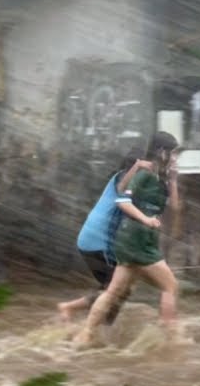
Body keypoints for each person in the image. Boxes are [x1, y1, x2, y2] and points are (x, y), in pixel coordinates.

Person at [73, 132, 182, 345]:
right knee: (170, 287)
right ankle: (171, 337)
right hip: (137, 240)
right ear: (162, 152)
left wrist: (175, 180)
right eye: (174, 153)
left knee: (113, 291)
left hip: (136, 242)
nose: (176, 158)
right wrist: (146, 219)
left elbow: (176, 207)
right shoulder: (145, 174)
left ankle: (86, 335)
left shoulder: (162, 177)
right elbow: (122, 201)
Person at [56, 150, 147, 323]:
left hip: (95, 240)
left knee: (118, 288)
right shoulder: (122, 179)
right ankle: (90, 324)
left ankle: (91, 322)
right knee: (117, 289)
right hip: (98, 242)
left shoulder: (128, 185)